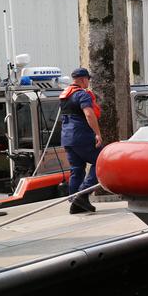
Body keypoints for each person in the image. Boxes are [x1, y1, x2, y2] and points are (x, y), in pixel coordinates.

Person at [60, 67, 103, 214]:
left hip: (67, 138)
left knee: (76, 170)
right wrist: (97, 134)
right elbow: (89, 115)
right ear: (84, 79)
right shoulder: (82, 95)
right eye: (88, 79)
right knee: (102, 161)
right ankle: (82, 195)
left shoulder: (64, 96)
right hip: (81, 136)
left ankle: (75, 203)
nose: (88, 82)